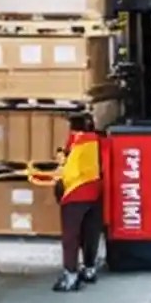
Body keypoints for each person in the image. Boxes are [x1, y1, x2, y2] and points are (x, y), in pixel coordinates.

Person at [53, 113, 104, 292]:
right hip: (94, 191)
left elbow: (69, 170)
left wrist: (59, 183)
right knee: (90, 233)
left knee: (71, 237)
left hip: (75, 193)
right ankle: (89, 268)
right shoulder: (96, 140)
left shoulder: (76, 140)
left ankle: (70, 275)